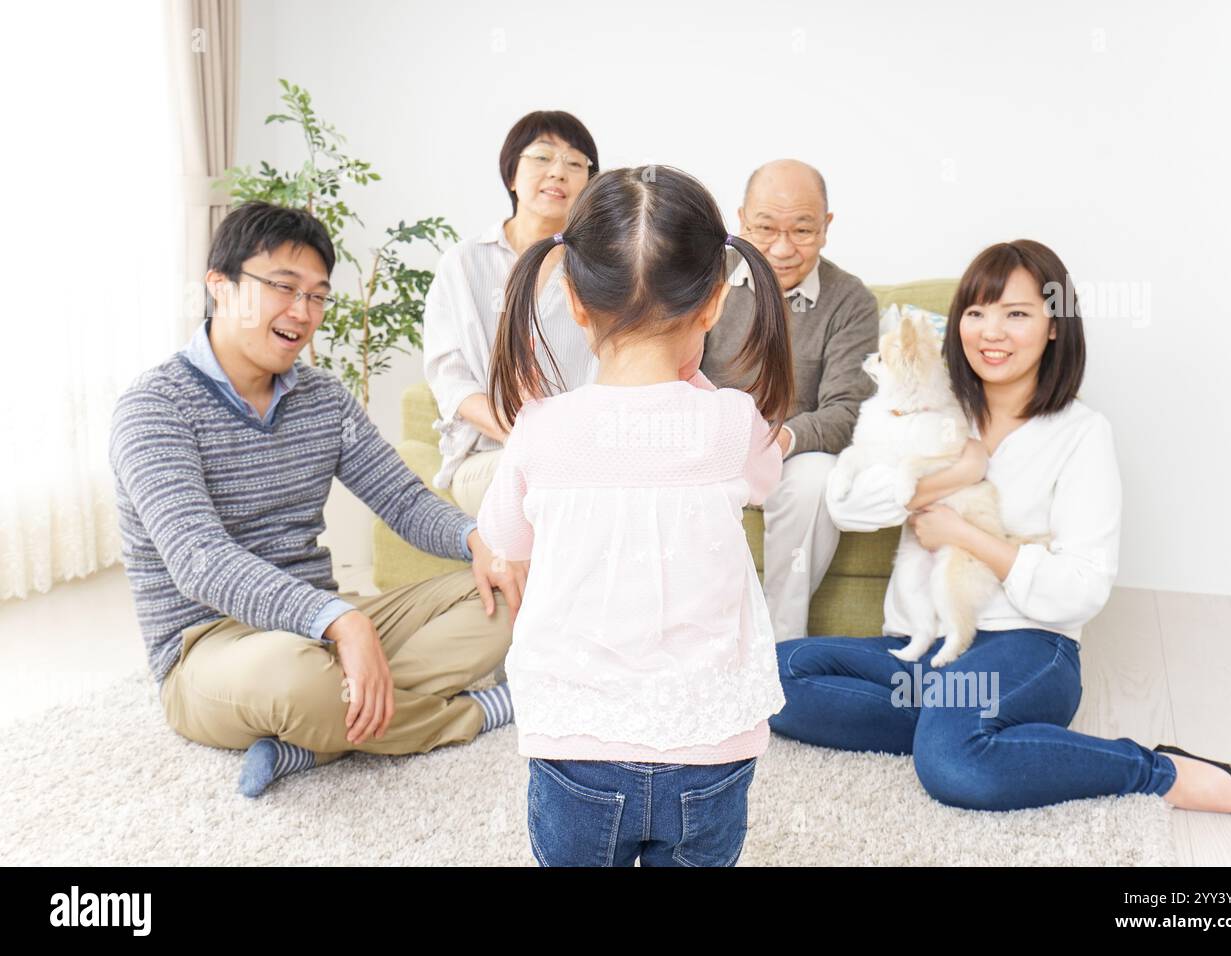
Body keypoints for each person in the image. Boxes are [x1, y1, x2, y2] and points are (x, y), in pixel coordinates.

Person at [769, 239, 1231, 823]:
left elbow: (1082, 587)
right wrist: (955, 473)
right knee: (775, 676)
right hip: (924, 648)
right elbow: (847, 504)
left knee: (952, 764)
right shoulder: (936, 412)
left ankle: (1161, 770)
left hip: (1026, 645)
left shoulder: (1082, 433)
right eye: (977, 312)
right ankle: (958, 719)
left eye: (1017, 314)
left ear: (1055, 326)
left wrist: (965, 535)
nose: (992, 331)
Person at [109, 202, 527, 798]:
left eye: (317, 295)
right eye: (284, 288)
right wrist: (342, 623)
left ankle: (309, 742)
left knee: (506, 593)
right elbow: (198, 560)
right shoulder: (154, 407)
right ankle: (476, 713)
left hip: (322, 620)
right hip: (208, 646)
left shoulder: (322, 398)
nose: (303, 313)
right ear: (220, 287)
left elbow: (403, 500)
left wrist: (477, 541)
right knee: (297, 681)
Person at [475, 166, 797, 866]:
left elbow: (502, 540)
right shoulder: (730, 421)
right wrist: (702, 389)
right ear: (714, 303)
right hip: (709, 749)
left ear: (575, 303)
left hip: (576, 748)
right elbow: (766, 476)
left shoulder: (541, 427)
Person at [701, 159, 878, 643]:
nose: (782, 249)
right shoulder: (705, 278)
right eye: (765, 229)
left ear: (827, 227)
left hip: (789, 454)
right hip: (707, 443)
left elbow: (847, 411)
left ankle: (779, 646)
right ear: (740, 220)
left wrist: (778, 441)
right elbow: (675, 369)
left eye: (802, 230)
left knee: (816, 479)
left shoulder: (851, 301)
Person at [422, 110, 600, 516]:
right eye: (542, 157)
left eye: (575, 164)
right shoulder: (464, 264)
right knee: (553, 477)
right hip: (489, 458)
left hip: (579, 456)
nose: (558, 172)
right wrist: (528, 440)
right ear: (511, 176)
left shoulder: (600, 273)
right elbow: (449, 379)